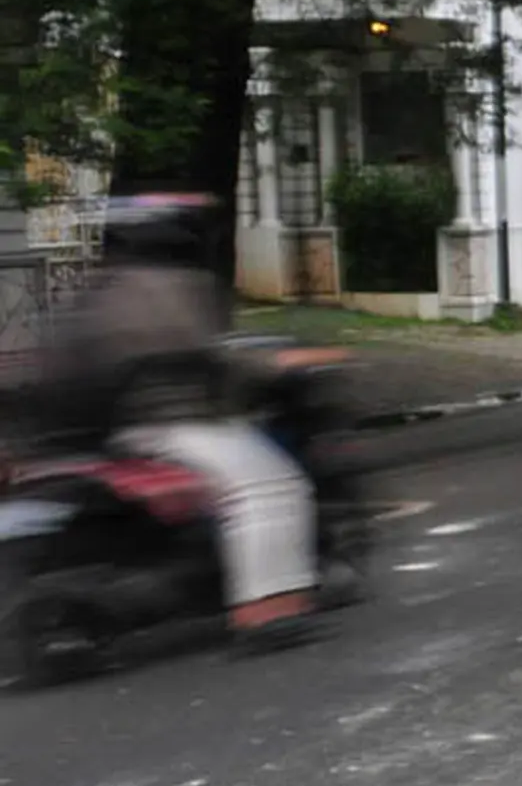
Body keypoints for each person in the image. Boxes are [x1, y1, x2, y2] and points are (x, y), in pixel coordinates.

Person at [44, 194, 324, 652]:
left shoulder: (103, 292)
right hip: (175, 424)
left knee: (270, 482)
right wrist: (276, 365)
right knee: (268, 485)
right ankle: (260, 611)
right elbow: (215, 357)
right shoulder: (169, 289)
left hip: (133, 430)